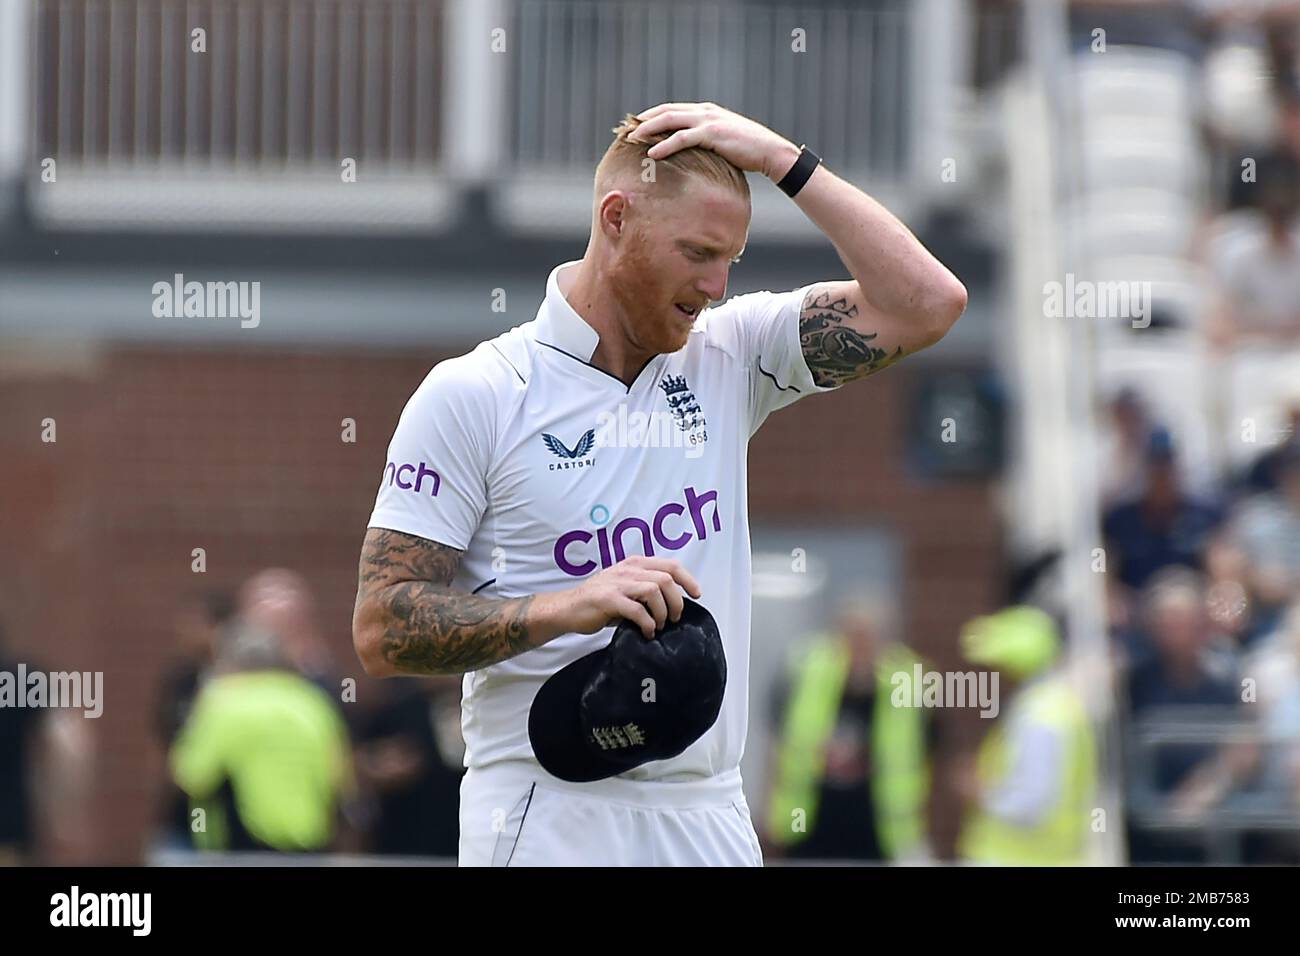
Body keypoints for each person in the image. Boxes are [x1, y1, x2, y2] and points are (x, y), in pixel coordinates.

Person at [352, 102, 967, 866]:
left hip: (709, 812)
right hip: (548, 812)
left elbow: (930, 303)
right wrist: (561, 607)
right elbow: (383, 627)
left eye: (731, 260)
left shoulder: (732, 353)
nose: (716, 285)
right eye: (698, 252)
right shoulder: (476, 393)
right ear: (617, 219)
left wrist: (783, 160)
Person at [764, 599, 929, 863]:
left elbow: (928, 747)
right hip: (810, 825)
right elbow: (779, 741)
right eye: (852, 637)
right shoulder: (809, 674)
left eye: (867, 639)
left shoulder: (905, 684)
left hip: (877, 830)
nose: (858, 648)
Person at [169, 623, 355, 853]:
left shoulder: (225, 701)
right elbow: (341, 779)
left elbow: (193, 776)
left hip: (245, 848)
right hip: (312, 848)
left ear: (231, 663)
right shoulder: (313, 702)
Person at [957, 606, 1097, 866]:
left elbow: (1031, 803)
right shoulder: (1054, 705)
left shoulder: (1039, 716)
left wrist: (980, 794)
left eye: (997, 665)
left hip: (1017, 859)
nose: (992, 674)